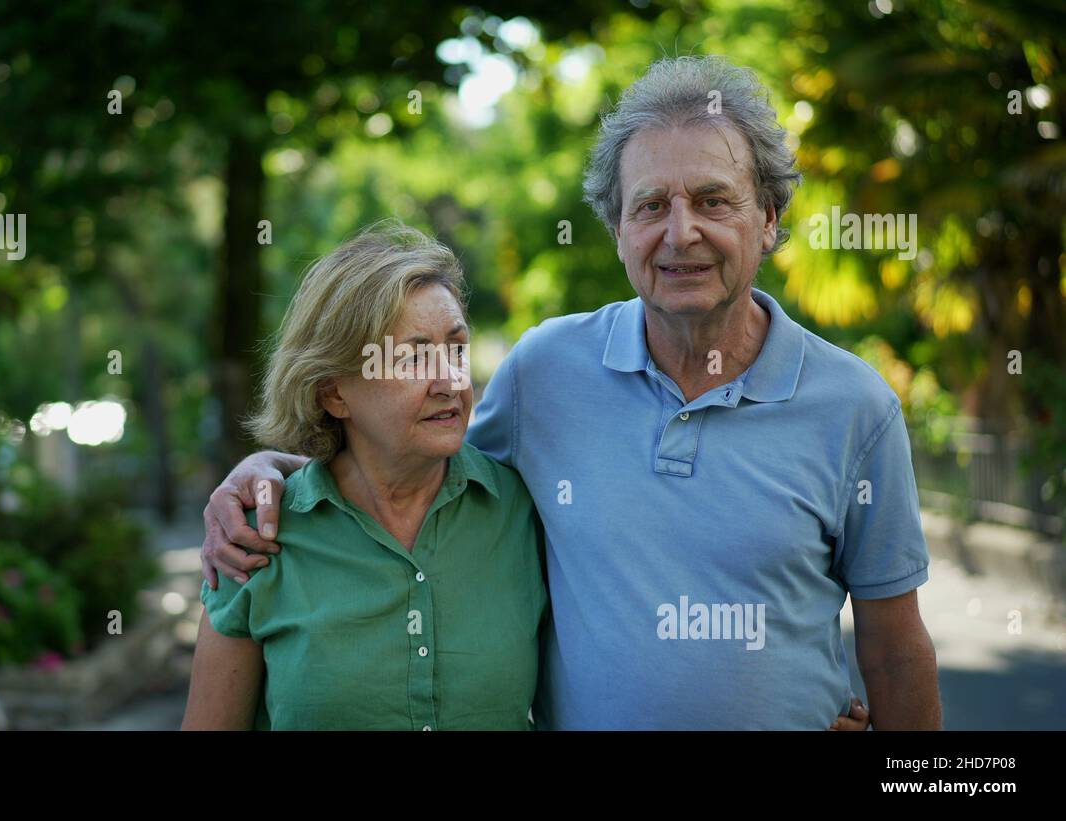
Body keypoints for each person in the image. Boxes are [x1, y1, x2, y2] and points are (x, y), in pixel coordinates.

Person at [200, 55, 935, 730]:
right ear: (616, 229)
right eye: (649, 206)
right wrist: (269, 471)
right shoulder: (545, 370)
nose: (681, 233)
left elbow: (896, 652)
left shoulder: (856, 409)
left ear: (768, 219)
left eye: (713, 201)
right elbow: (414, 464)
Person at [181, 223, 548, 730]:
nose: (448, 381)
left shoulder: (525, 509)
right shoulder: (253, 537)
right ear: (333, 393)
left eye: (457, 349)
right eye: (414, 357)